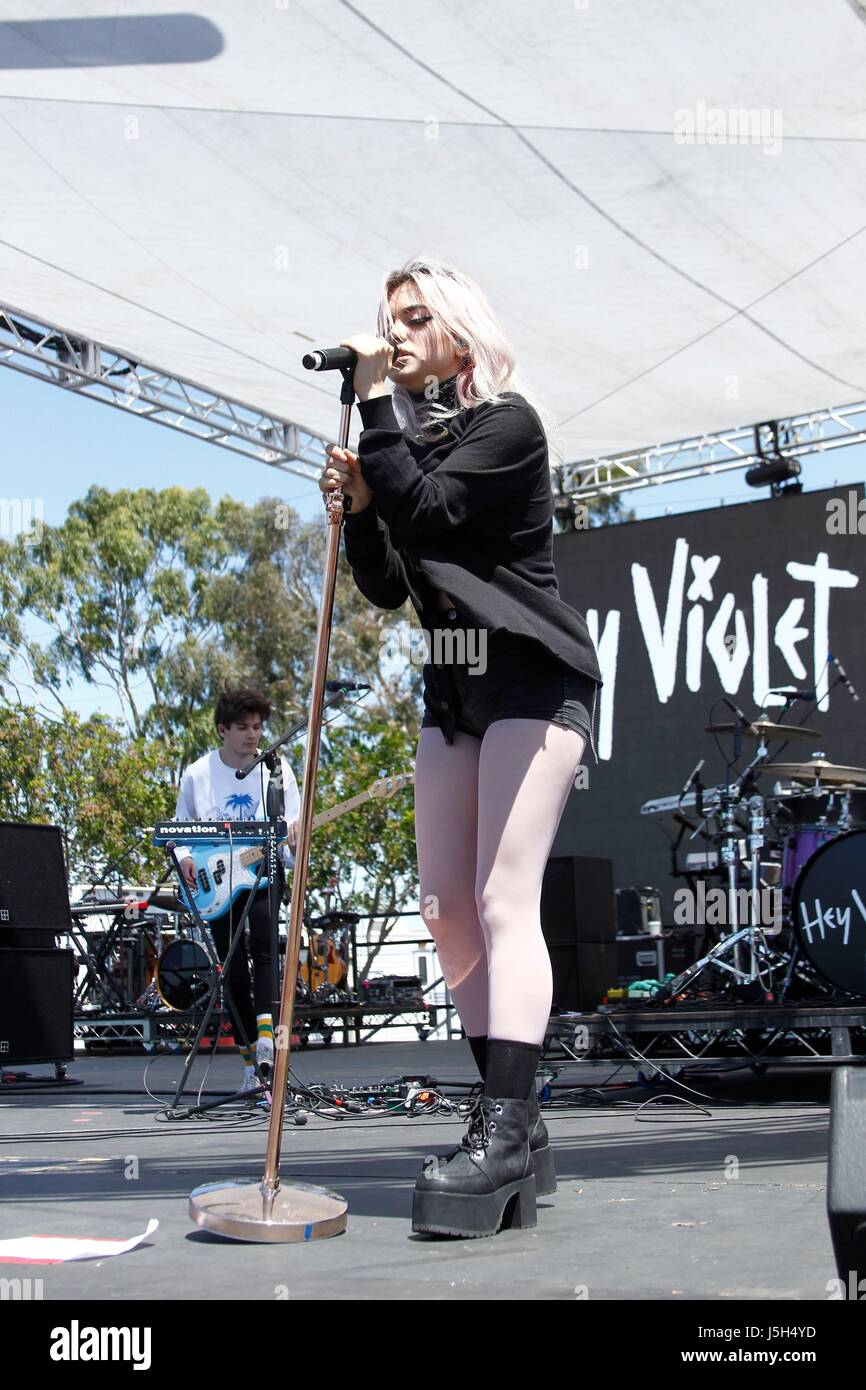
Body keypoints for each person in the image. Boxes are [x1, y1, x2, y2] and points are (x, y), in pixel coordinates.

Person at [320, 258, 603, 1237]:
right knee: (444, 908)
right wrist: (360, 516)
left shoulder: (507, 423)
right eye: (383, 322)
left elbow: (435, 511)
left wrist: (370, 415)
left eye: (411, 319)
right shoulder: (412, 440)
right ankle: (518, 1134)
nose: (391, 336)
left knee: (498, 897)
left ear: (457, 330)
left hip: (533, 676)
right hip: (455, 687)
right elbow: (395, 582)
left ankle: (502, 1135)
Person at [174, 685, 301, 1094]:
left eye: (258, 727)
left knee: (266, 949)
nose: (252, 735)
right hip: (216, 881)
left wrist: (295, 843)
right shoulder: (197, 773)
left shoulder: (277, 772)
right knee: (230, 965)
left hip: (262, 873)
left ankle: (267, 1043)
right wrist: (187, 859)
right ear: (221, 730)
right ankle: (251, 1064)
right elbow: (180, 833)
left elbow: (292, 829)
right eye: (243, 727)